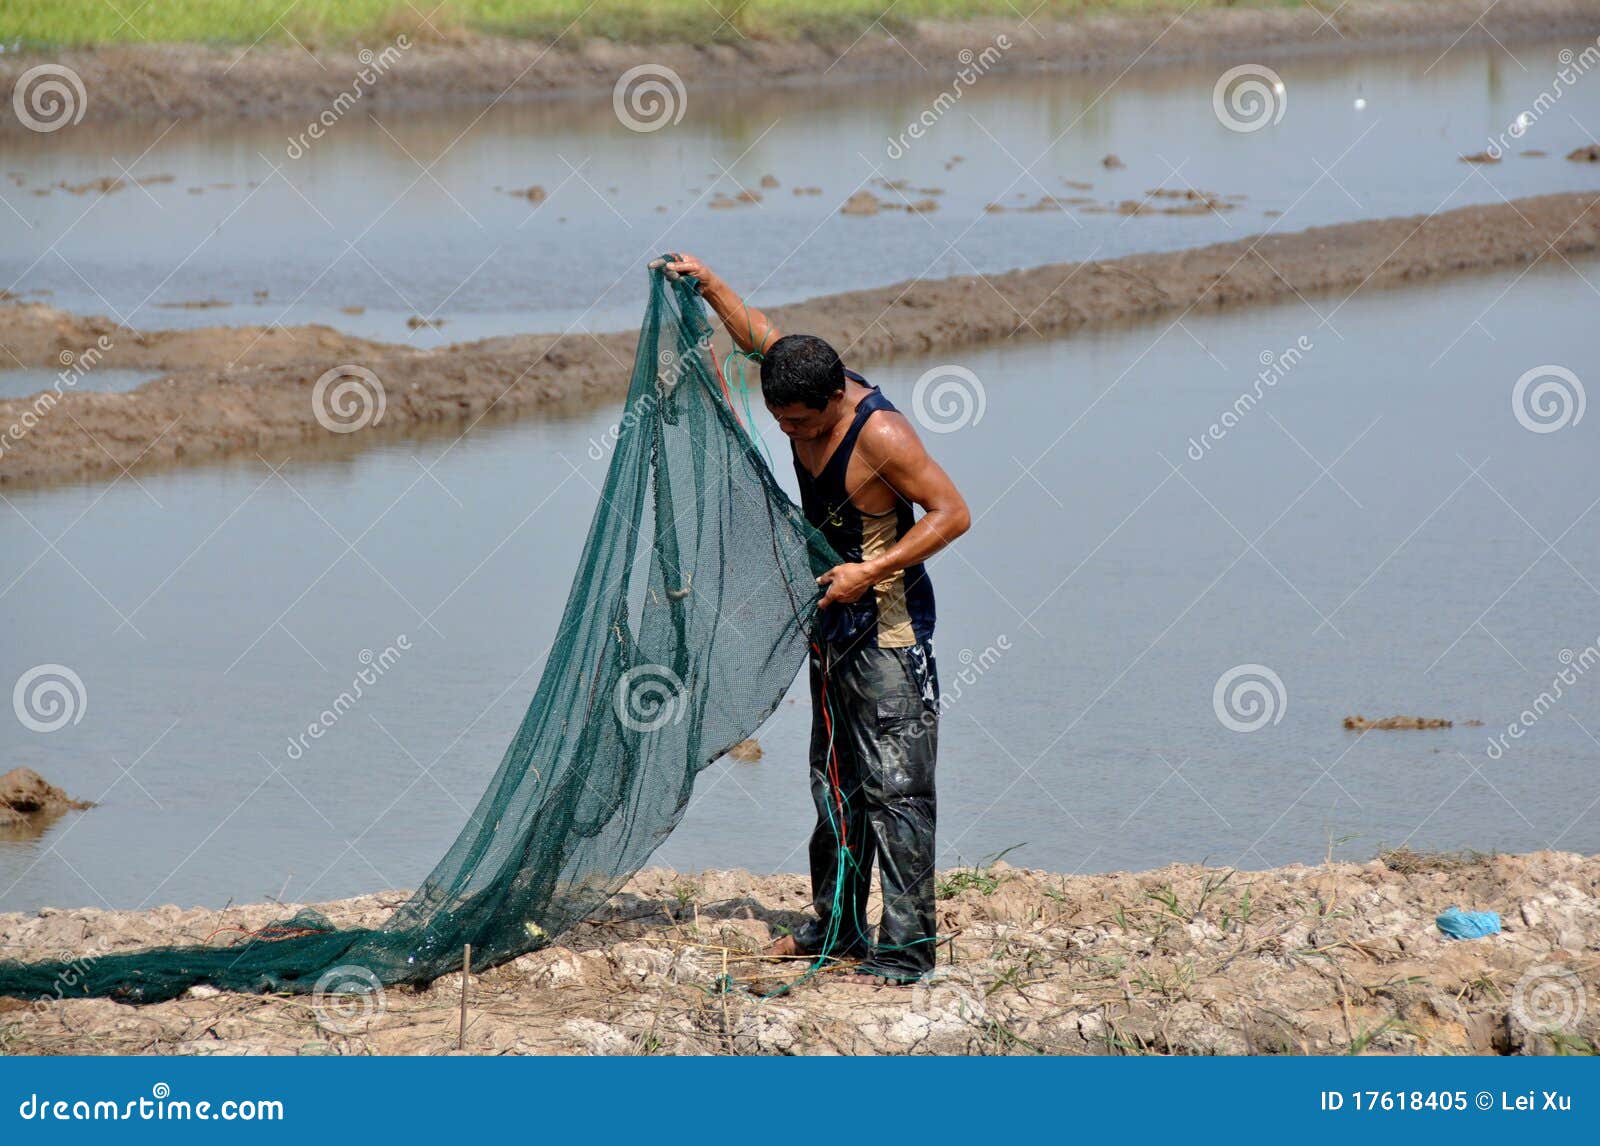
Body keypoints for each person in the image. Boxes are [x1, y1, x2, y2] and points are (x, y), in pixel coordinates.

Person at [654, 253, 972, 986]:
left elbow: (952, 514)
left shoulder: (881, 437)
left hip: (889, 633)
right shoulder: (796, 379)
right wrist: (707, 283)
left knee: (895, 790)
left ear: (836, 397)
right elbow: (758, 335)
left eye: (801, 420)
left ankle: (905, 948)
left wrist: (869, 570)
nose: (789, 429)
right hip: (830, 625)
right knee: (834, 784)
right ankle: (834, 923)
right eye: (779, 419)